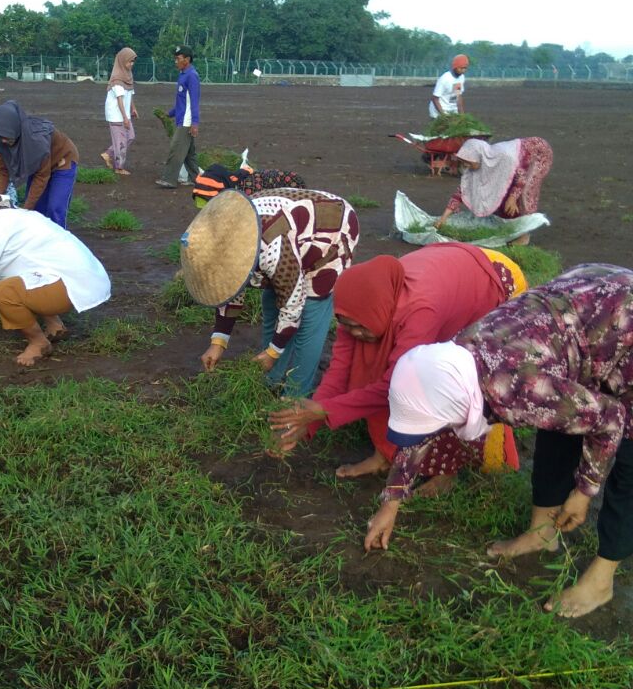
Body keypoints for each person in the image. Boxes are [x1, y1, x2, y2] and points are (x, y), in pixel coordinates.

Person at [366, 264, 633, 620]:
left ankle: (602, 577)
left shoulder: (515, 390)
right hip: (589, 310)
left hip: (620, 319)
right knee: (558, 422)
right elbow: (425, 422)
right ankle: (541, 533)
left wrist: (585, 491)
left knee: (629, 460)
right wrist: (392, 501)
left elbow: (611, 417)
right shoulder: (455, 356)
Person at [268, 244, 526, 484]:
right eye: (348, 327)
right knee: (370, 363)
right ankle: (385, 455)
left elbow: (393, 386)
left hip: (490, 281)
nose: (354, 333)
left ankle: (448, 472)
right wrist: (307, 420)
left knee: (450, 383)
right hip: (445, 273)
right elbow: (339, 370)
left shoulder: (419, 312)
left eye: (359, 327)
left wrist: (323, 411)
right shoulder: (358, 306)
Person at [181, 188, 359, 398]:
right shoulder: (224, 238)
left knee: (309, 317)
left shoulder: (270, 246)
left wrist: (274, 352)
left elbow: (293, 304)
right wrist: (218, 342)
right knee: (271, 302)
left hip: (332, 231)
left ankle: (295, 396)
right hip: (290, 237)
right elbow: (230, 289)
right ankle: (272, 377)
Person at [0, 181, 111, 367]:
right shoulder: (20, 215)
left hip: (70, 283)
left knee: (4, 292)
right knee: (14, 276)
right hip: (89, 276)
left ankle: (39, 343)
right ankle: (55, 326)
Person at [434, 138, 553, 244]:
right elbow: (460, 192)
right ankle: (510, 228)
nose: (466, 165)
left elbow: (521, 177)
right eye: (464, 162)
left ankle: (524, 235)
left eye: (468, 162)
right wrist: (443, 218)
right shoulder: (476, 165)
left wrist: (512, 198)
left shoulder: (504, 157)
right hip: (518, 161)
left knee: (526, 192)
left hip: (539, 153)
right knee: (502, 196)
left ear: (477, 156)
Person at [0, 100, 78, 228]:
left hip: (62, 162)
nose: (3, 140)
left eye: (7, 136)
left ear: (15, 128)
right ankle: (37, 242)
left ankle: (57, 242)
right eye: (0, 136)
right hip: (38, 165)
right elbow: (1, 170)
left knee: (55, 208)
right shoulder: (1, 142)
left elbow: (41, 177)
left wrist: (25, 210)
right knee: (37, 209)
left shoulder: (36, 141)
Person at [156, 46, 200, 189]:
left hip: (186, 122)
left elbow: (194, 101)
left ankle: (169, 179)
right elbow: (181, 102)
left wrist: (194, 123)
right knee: (189, 155)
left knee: (176, 149)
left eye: (178, 58)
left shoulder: (192, 76)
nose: (175, 61)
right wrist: (168, 114)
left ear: (186, 60)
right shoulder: (182, 75)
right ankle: (197, 179)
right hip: (181, 119)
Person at [191, 162, 307, 208]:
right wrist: (247, 170)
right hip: (278, 181)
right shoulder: (237, 183)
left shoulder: (201, 180)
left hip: (203, 199)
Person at [101, 47, 138, 175]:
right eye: (129, 61)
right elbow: (119, 99)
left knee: (130, 136)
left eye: (133, 61)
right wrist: (125, 118)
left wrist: (133, 108)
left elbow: (130, 93)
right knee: (121, 140)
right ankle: (119, 167)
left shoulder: (128, 76)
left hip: (124, 113)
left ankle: (108, 153)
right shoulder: (117, 78)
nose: (131, 64)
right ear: (122, 61)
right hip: (116, 114)